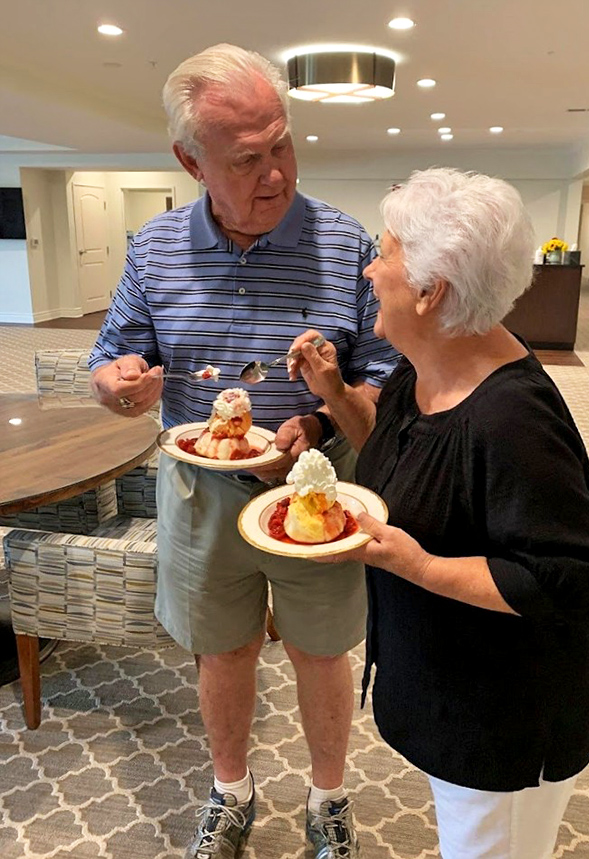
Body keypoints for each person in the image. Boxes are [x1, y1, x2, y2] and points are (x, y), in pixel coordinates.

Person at [88, 43, 397, 859]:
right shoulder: (153, 249)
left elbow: (384, 378)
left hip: (314, 487)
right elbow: (110, 355)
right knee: (221, 646)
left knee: (322, 648)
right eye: (247, 159)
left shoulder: (344, 241)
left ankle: (327, 798)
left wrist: (324, 423)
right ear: (190, 161)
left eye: (283, 145)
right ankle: (231, 791)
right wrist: (116, 383)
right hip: (199, 489)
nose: (276, 174)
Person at [290, 167, 589, 859]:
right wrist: (333, 390)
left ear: (429, 291)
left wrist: (414, 563)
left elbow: (580, 576)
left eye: (382, 253)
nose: (366, 271)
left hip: (505, 713)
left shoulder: (512, 418)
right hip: (451, 686)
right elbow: (407, 462)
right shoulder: (428, 367)